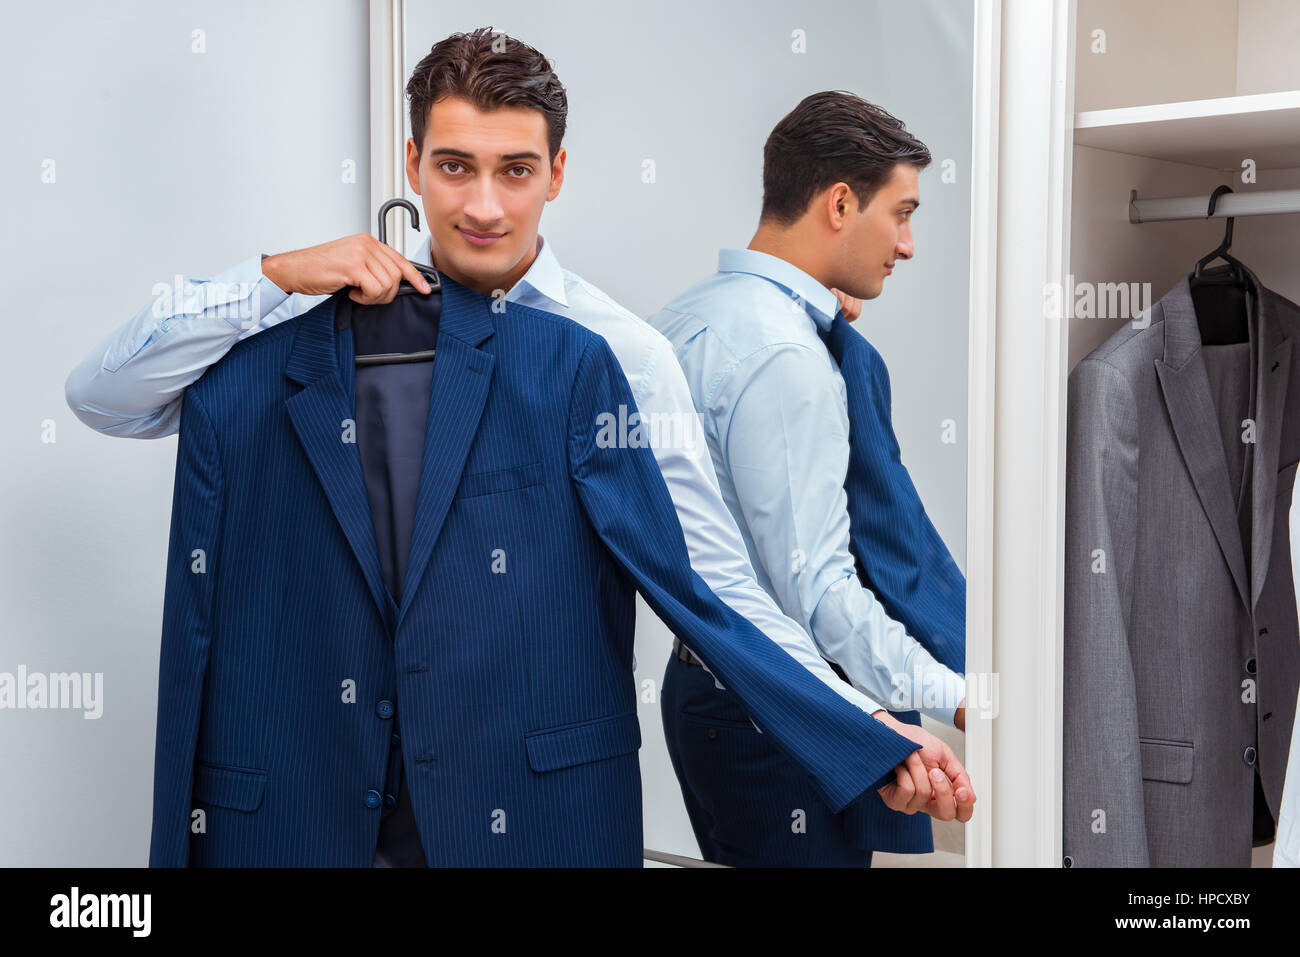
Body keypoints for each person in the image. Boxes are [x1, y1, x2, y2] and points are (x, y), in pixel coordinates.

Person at [64, 28, 974, 861]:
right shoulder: (303, 332)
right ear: (414, 163)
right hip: (323, 798)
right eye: (456, 167)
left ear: (558, 172)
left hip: (526, 809)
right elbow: (105, 395)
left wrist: (859, 722)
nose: (485, 206)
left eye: (516, 170)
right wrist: (269, 276)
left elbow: (714, 582)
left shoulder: (614, 355)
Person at [650, 91, 970, 866]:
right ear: (838, 203)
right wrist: (956, 692)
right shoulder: (784, 354)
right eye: (901, 212)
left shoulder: (695, 314)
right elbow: (817, 589)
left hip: (714, 695)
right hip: (777, 717)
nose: (908, 242)